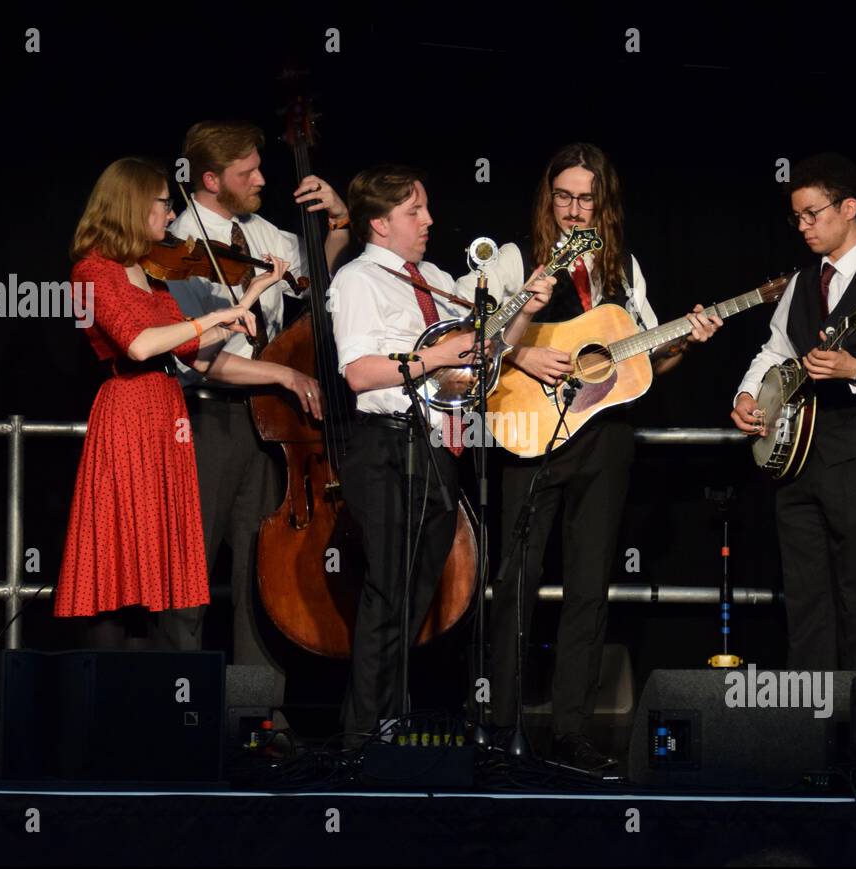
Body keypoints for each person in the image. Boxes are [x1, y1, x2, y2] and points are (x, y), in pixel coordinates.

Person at [466, 143, 721, 773]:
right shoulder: (512, 258)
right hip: (529, 426)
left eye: (586, 198)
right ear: (546, 198)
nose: (574, 210)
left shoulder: (622, 268)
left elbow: (647, 358)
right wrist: (522, 355)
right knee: (516, 578)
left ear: (602, 202)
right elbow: (477, 340)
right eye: (563, 197)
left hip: (604, 436)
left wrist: (687, 341)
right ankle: (501, 725)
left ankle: (571, 731)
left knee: (588, 586)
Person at [329, 165, 553, 744]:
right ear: (379, 223)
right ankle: (360, 736)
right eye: (414, 212)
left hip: (434, 446)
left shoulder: (428, 276)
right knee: (388, 592)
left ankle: (391, 721)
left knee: (417, 596)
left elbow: (479, 352)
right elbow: (358, 374)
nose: (429, 220)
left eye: (426, 207)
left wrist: (524, 310)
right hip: (384, 445)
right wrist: (433, 360)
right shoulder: (358, 280)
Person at [54, 157, 284, 645]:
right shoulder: (94, 271)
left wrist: (246, 302)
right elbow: (139, 344)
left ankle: (156, 693)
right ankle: (106, 690)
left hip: (166, 411)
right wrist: (213, 318)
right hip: (129, 410)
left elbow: (193, 355)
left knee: (158, 558)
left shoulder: (152, 272)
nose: (168, 213)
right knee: (120, 554)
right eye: (162, 202)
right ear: (134, 205)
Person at [154, 121, 339, 679]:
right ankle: (180, 705)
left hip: (268, 419)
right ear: (210, 179)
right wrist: (284, 375)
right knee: (191, 569)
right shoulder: (181, 245)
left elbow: (316, 280)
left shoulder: (261, 232)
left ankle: (259, 715)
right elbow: (200, 355)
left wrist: (338, 223)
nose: (262, 178)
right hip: (208, 417)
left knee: (263, 570)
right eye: (247, 173)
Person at [731, 152, 856, 670]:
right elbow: (774, 350)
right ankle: (809, 736)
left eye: (813, 214)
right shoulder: (800, 281)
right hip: (796, 464)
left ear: (849, 207)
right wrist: (747, 397)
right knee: (806, 605)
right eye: (796, 217)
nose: (804, 227)